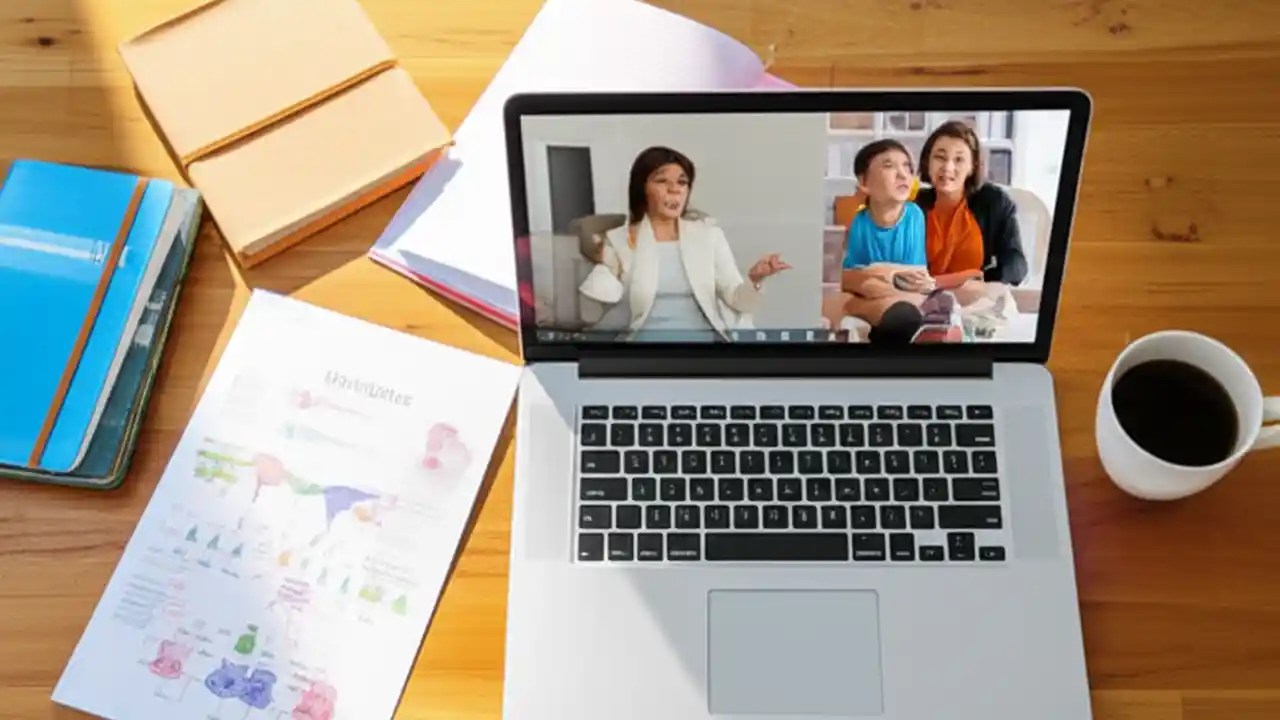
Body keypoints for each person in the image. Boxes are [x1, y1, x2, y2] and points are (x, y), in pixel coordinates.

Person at [578, 145, 790, 341]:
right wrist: (606, 262)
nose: (675, 189)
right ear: (642, 188)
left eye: (682, 182)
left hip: (702, 349)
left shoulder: (709, 236)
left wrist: (756, 279)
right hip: (645, 349)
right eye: (662, 181)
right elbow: (598, 305)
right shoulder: (620, 239)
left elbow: (738, 300)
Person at [915, 120, 1028, 285]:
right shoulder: (913, 204)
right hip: (921, 294)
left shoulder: (993, 201)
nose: (948, 167)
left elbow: (1017, 265)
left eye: (959, 159)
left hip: (975, 294)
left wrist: (980, 280)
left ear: (972, 167)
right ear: (927, 162)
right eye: (940, 157)